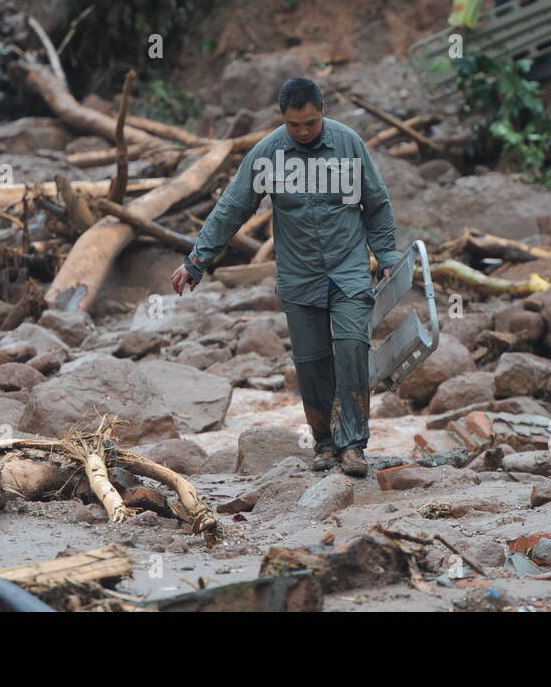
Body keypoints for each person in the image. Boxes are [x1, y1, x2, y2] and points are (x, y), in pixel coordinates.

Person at [168, 78, 403, 478]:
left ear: (323, 111)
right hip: (300, 276)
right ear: (283, 120)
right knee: (310, 363)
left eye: (311, 123)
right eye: (295, 125)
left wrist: (387, 255)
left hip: (347, 271)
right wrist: (196, 261)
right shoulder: (268, 154)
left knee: (350, 349)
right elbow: (233, 208)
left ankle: (353, 445)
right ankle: (325, 444)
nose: (304, 132)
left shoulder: (348, 144)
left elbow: (376, 203)